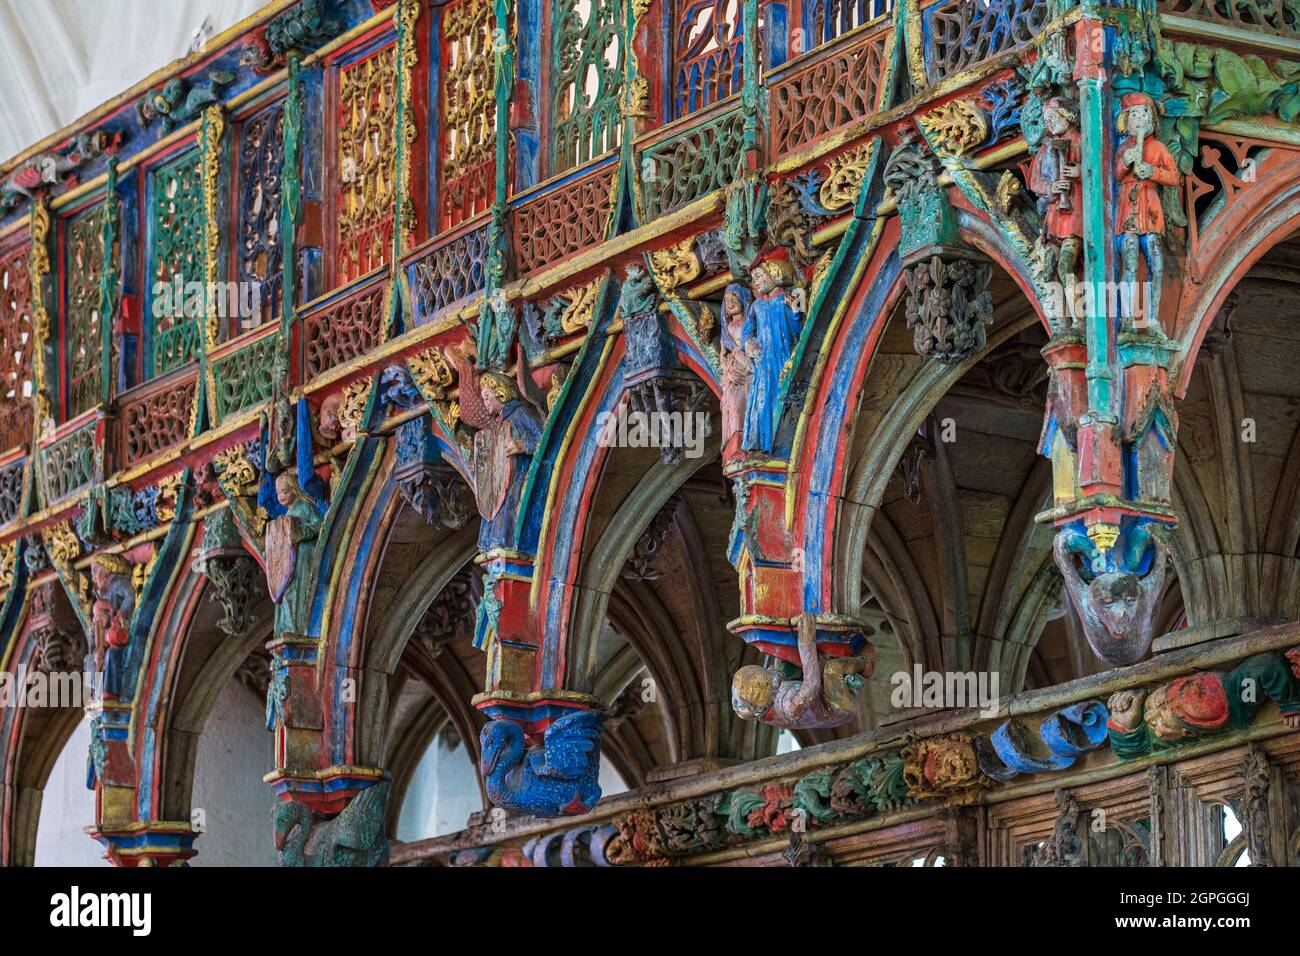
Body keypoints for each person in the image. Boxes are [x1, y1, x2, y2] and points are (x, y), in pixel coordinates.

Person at [731, 612, 874, 729]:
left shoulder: (761, 702)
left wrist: (780, 643)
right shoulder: (788, 707)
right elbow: (812, 686)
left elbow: (741, 711)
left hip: (816, 696)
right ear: (767, 690)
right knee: (832, 668)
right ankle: (865, 665)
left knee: (786, 663)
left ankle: (842, 669)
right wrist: (807, 641)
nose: (769, 672)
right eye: (766, 681)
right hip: (836, 708)